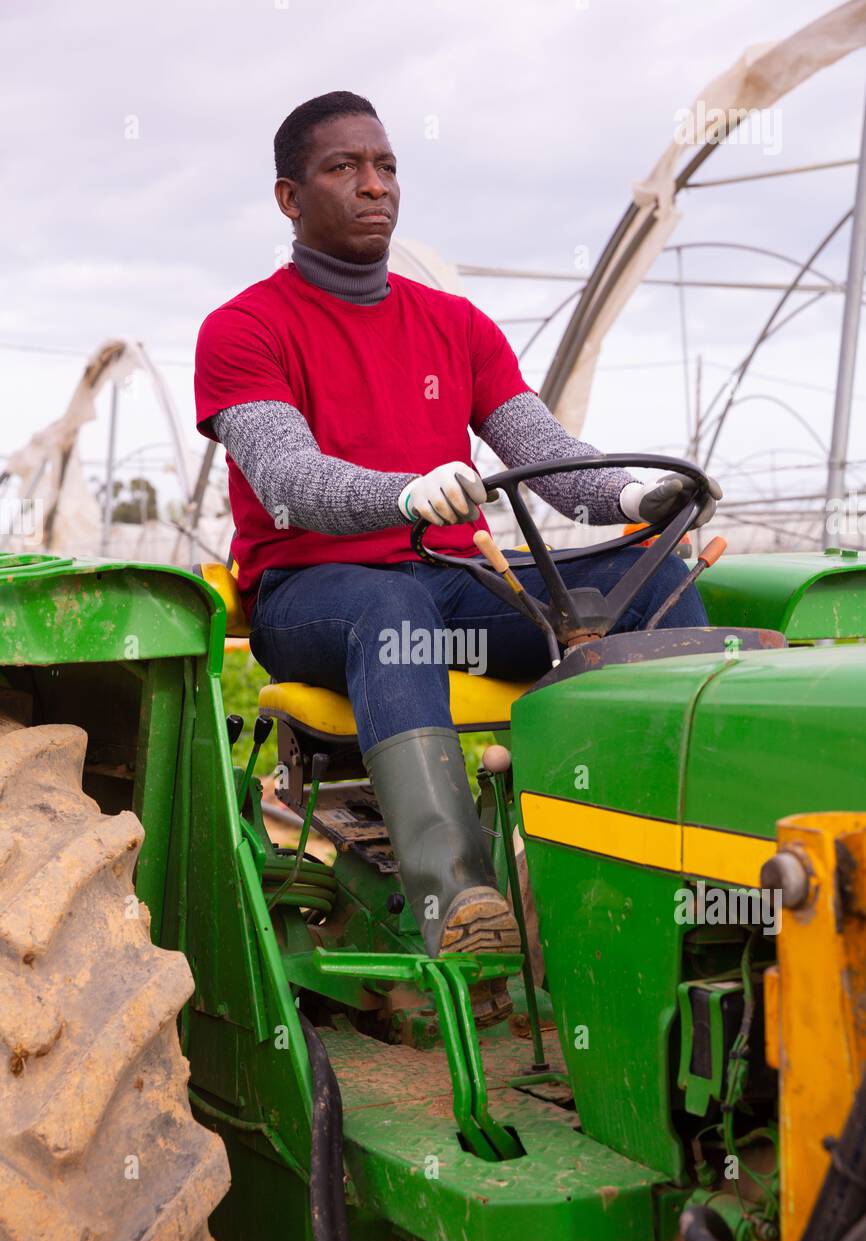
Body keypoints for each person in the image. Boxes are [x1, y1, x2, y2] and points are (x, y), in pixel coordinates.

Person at [194, 91, 721, 1024]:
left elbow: (547, 459)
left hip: (454, 583)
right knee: (391, 617)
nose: (373, 186)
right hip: (313, 596)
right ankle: (460, 899)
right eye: (343, 169)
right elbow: (289, 480)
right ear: (288, 198)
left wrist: (636, 499)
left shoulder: (456, 325)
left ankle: (692, 859)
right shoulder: (244, 330)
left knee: (653, 586)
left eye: (387, 166)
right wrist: (400, 492)